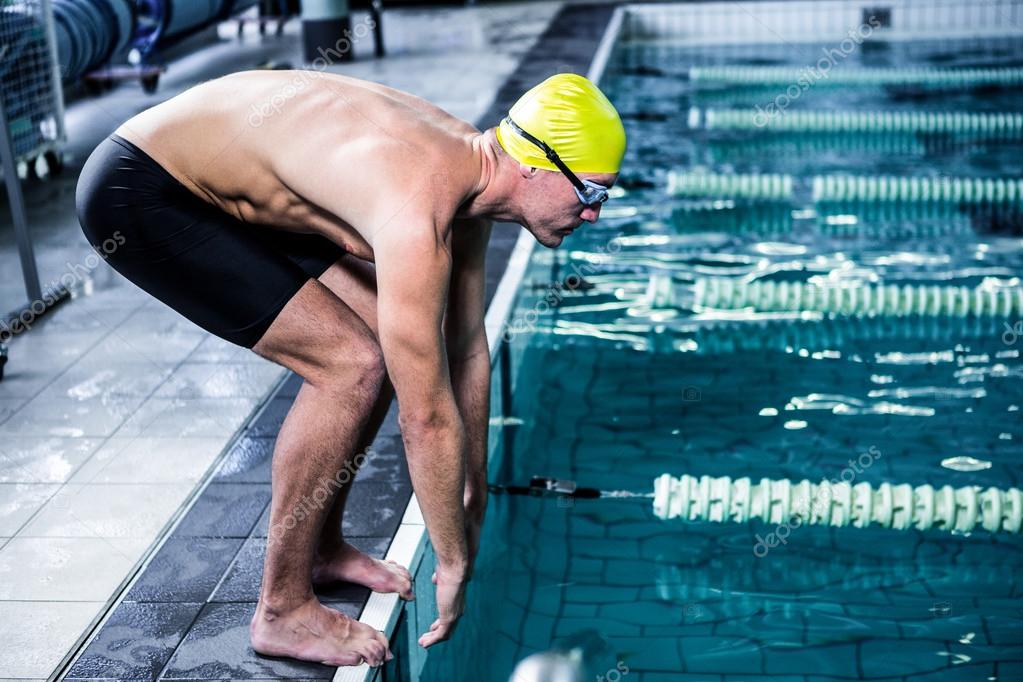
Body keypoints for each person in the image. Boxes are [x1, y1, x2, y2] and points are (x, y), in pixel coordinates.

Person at [75, 70, 625, 667]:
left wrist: (476, 492)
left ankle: (323, 548)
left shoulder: (472, 178)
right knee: (352, 364)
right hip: (144, 189)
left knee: (394, 345)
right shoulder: (420, 207)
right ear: (536, 165)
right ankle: (281, 608)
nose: (593, 216)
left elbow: (465, 346)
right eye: (592, 194)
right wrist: (453, 563)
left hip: (242, 183)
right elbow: (428, 420)